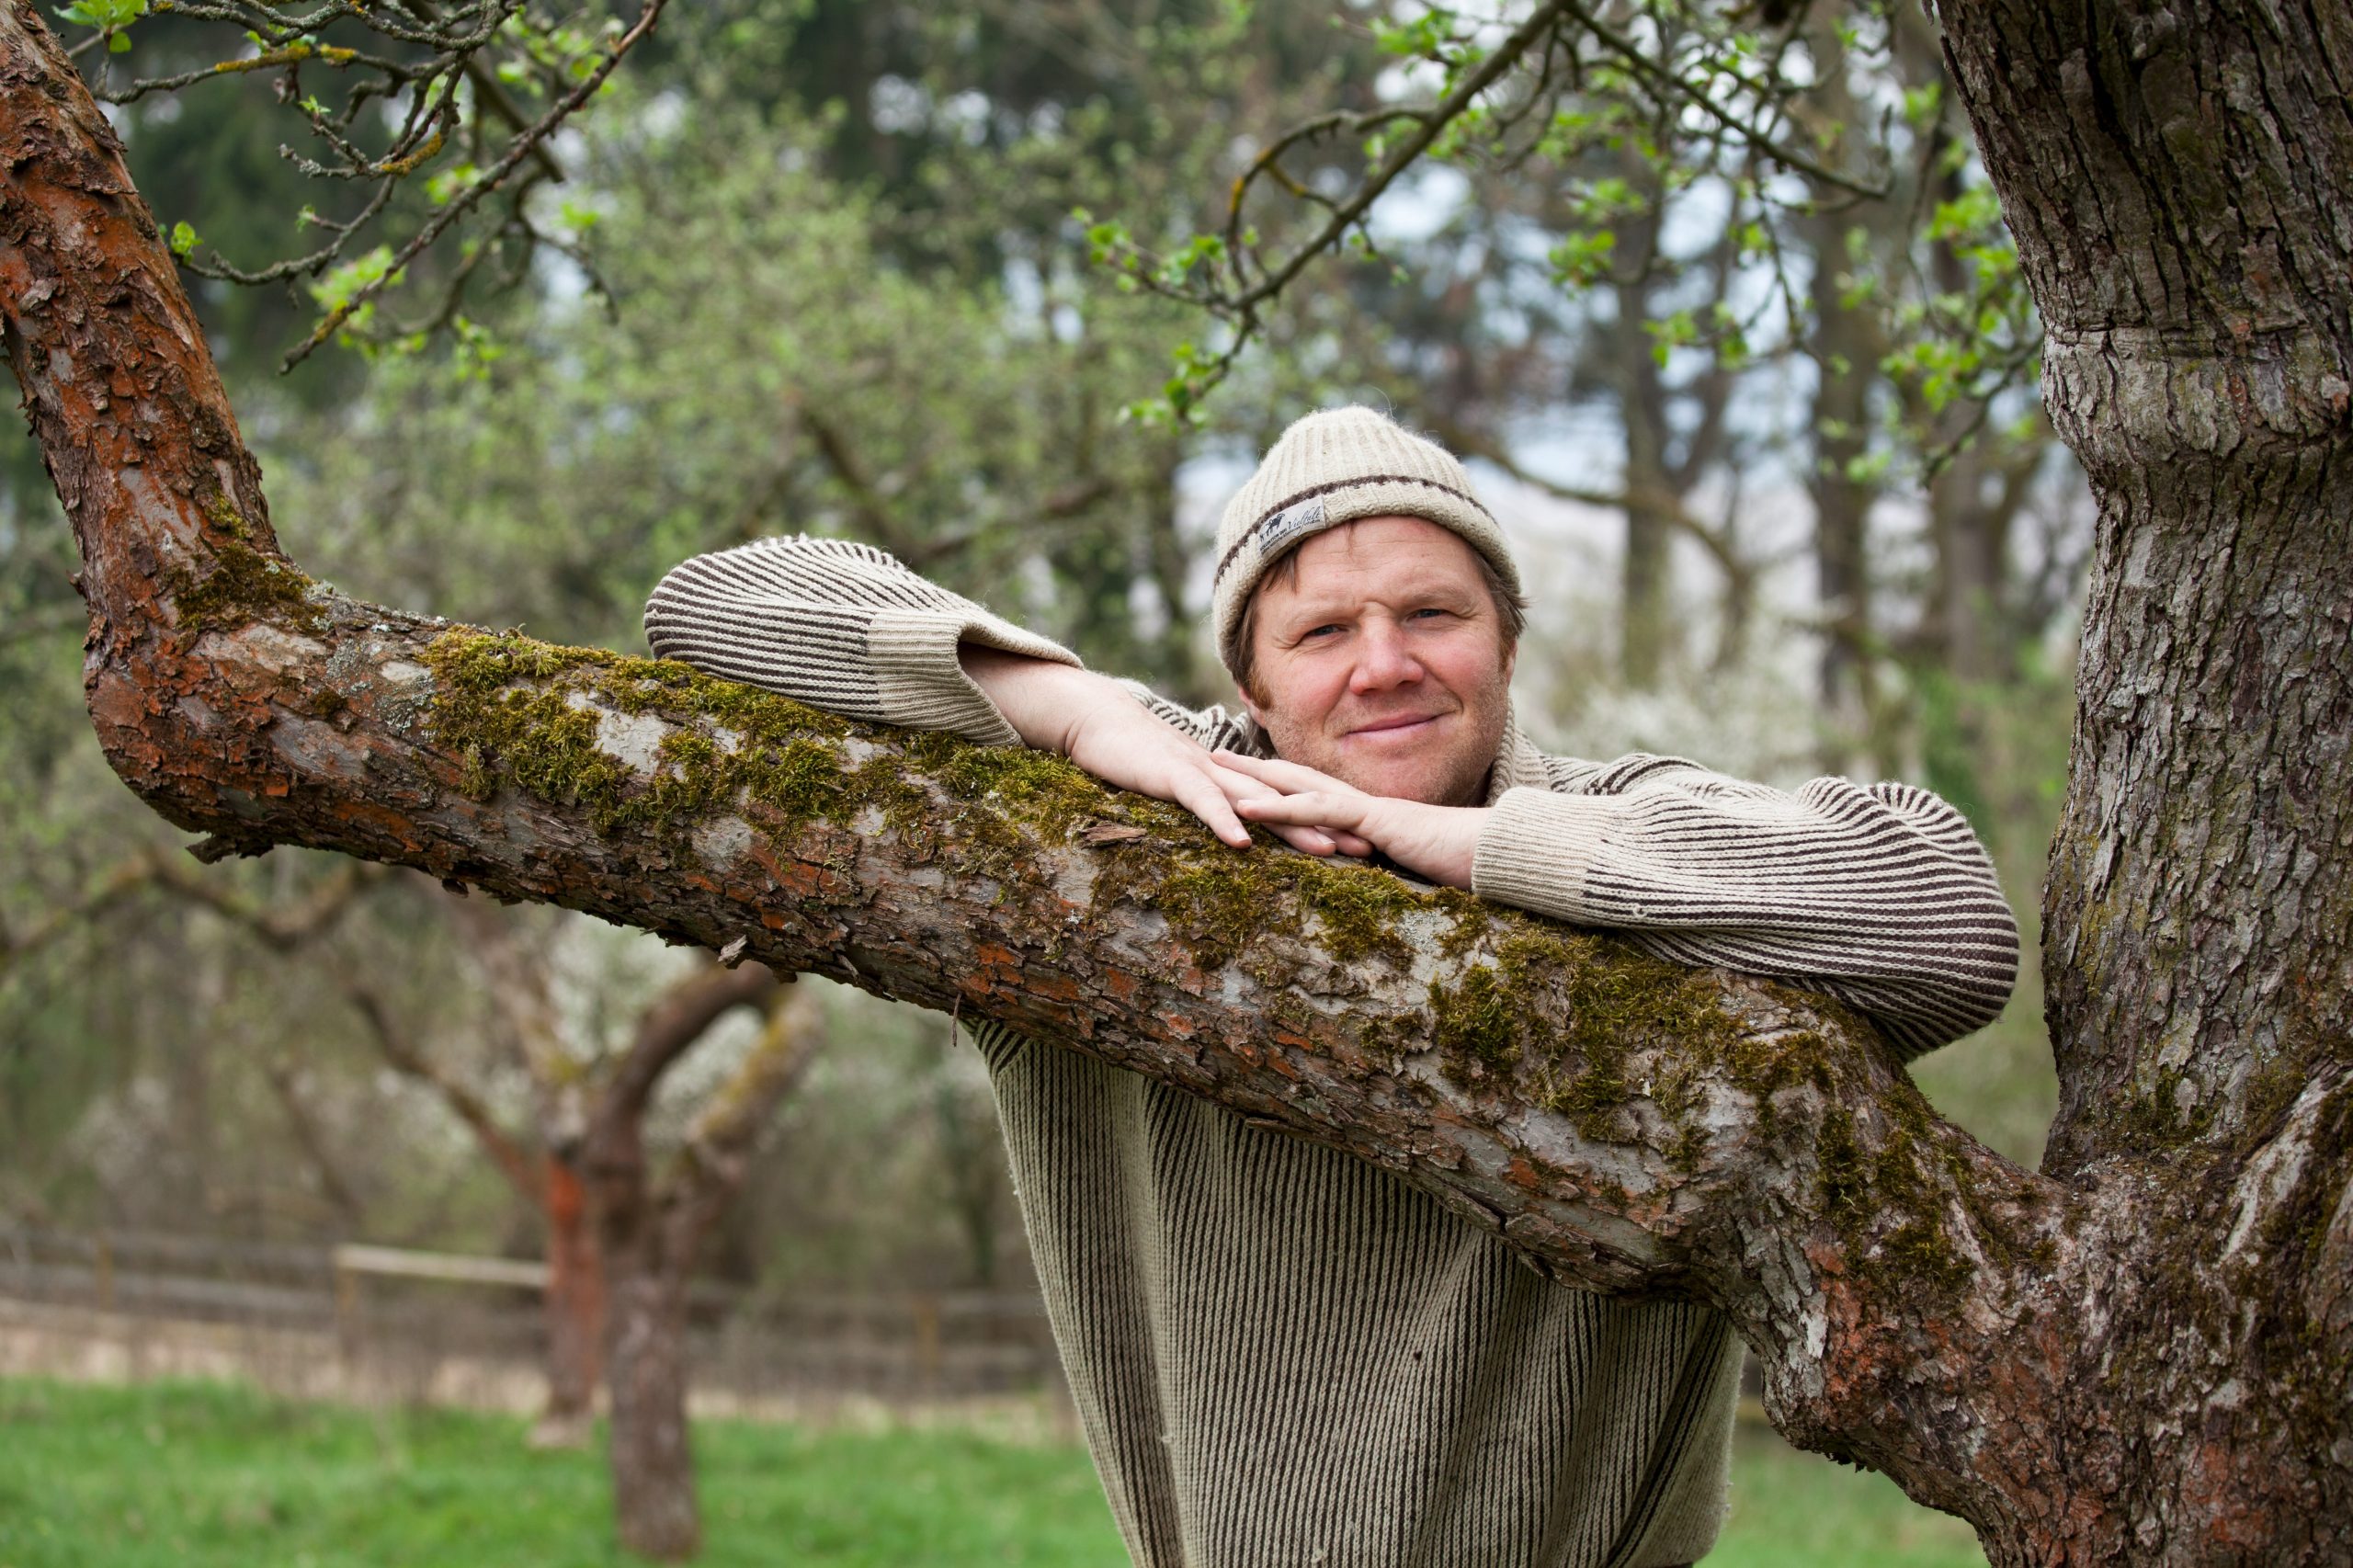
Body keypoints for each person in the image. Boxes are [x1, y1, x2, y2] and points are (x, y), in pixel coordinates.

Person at [642, 406, 2019, 1568]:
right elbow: (708, 610)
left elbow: (1950, 923)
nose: (1386, 662)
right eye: (1323, 631)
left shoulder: (1623, 835)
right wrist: (1072, 706)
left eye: (1434, 612)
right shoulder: (1106, 830)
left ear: (1506, 643)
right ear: (1248, 673)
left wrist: (1476, 849)